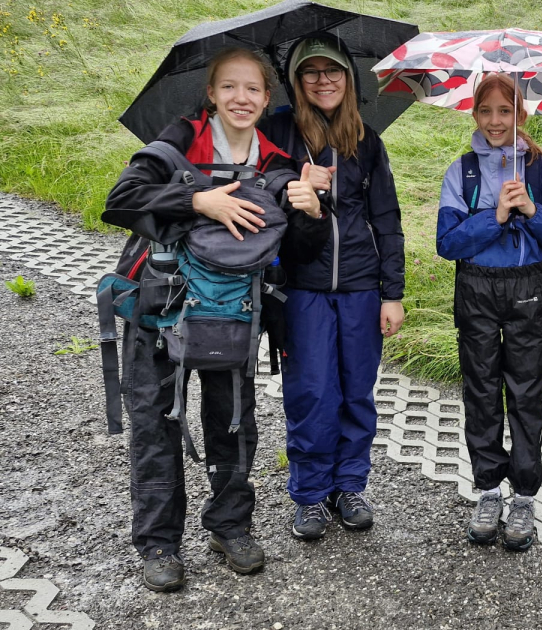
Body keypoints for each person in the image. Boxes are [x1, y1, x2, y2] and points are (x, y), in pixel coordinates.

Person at [104, 47, 328, 591]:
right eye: (229, 86)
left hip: (233, 314)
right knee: (155, 423)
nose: (240, 98)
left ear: (267, 98)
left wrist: (311, 210)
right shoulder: (179, 141)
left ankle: (230, 527)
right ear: (211, 93)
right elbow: (121, 200)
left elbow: (299, 250)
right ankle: (159, 543)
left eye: (252, 88)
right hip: (158, 312)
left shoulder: (277, 164)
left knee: (234, 421)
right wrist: (199, 201)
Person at [259, 35, 406, 540]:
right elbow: (260, 189)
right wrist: (295, 187)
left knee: (356, 393)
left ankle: (349, 487)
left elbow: (387, 219)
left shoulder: (366, 140)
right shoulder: (277, 130)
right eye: (311, 72)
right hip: (303, 289)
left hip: (362, 288)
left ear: (349, 77)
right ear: (297, 80)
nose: (323, 80)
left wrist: (392, 293)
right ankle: (310, 494)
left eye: (333, 71)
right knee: (311, 393)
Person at [435, 73, 542, 552]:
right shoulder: (461, 172)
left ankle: (525, 495)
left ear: (521, 115)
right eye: (486, 111)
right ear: (474, 115)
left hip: (528, 288)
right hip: (475, 288)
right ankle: (489, 489)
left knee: (525, 393)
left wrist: (531, 210)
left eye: (505, 111)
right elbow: (447, 244)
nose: (496, 121)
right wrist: (493, 218)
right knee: (481, 391)